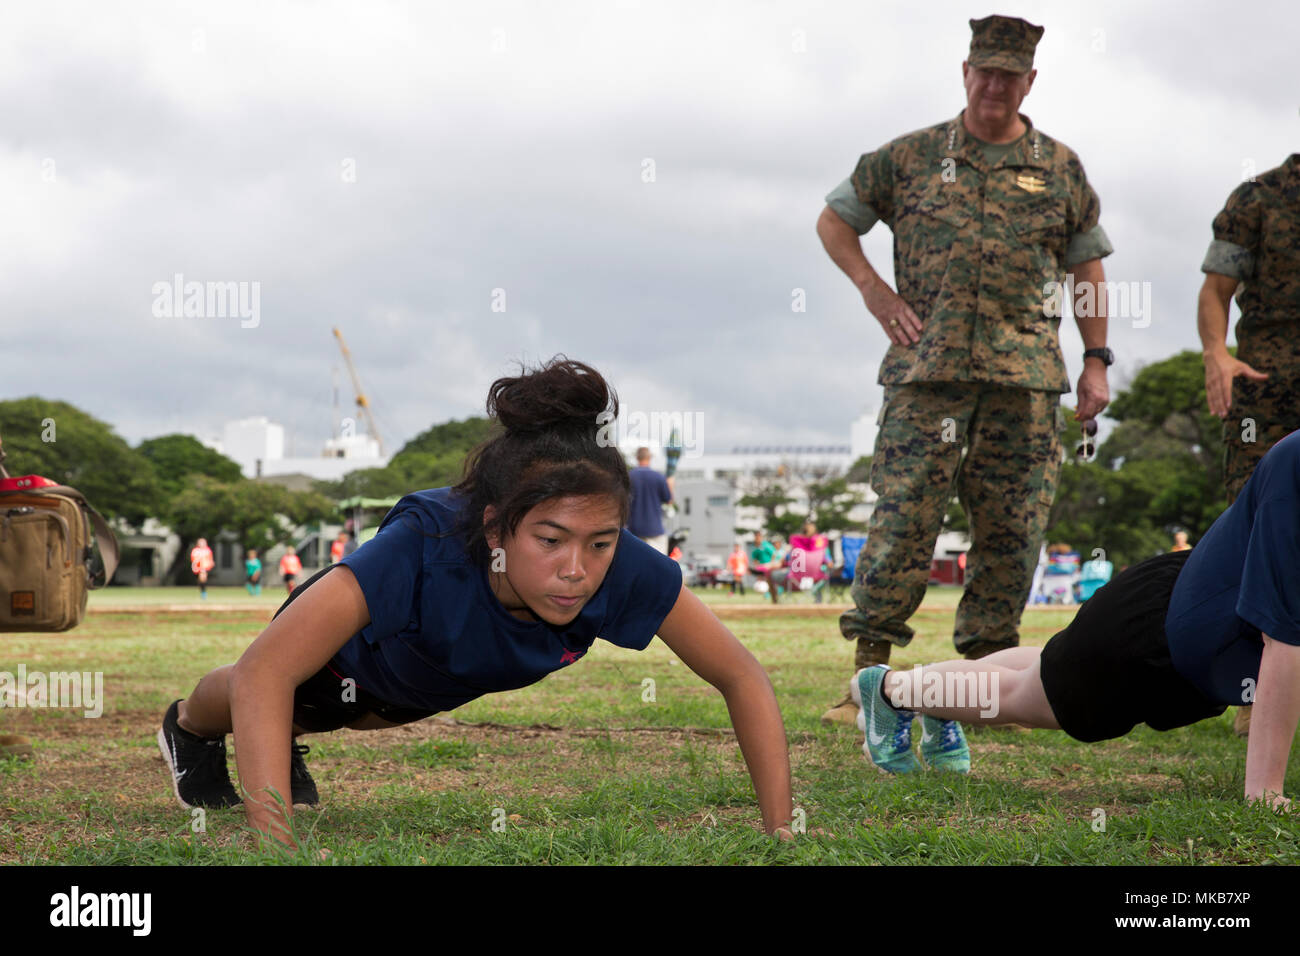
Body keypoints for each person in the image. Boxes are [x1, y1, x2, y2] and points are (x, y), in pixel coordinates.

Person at [157, 358, 798, 844]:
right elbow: (268, 671)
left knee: (325, 717)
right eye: (550, 540)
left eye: (599, 542)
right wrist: (278, 849)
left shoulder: (621, 565)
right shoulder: (421, 543)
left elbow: (740, 674)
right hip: (347, 662)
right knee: (267, 692)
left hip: (420, 688)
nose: (576, 570)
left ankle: (282, 735)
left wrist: (779, 832)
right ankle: (186, 727)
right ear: (495, 528)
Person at [815, 14, 1114, 725]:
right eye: (985, 71)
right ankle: (870, 683)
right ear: (965, 72)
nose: (994, 85)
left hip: (1027, 381)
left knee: (1012, 534)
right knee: (903, 523)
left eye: (1009, 75)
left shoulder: (1060, 167)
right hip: (927, 376)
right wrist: (872, 289)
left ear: (1028, 82)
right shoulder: (910, 157)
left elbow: (1089, 268)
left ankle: (979, 689)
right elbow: (835, 220)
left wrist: (1097, 361)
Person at [851, 428, 1300, 808]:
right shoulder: (1294, 465)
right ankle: (892, 691)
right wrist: (1265, 792)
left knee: (1038, 670)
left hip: (1176, 611)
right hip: (1152, 638)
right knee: (1027, 697)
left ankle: (933, 692)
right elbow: (1284, 638)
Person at [1199, 150, 1300, 738]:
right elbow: (1215, 291)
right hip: (1266, 396)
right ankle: (1253, 692)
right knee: (1259, 535)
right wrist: (1217, 352)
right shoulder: (1257, 198)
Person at [626, 447, 673, 553]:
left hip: (634, 530)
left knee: (636, 566)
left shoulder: (628, 476)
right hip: (655, 529)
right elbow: (669, 500)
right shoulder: (659, 477)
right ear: (649, 458)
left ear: (637, 458)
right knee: (658, 566)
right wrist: (670, 484)